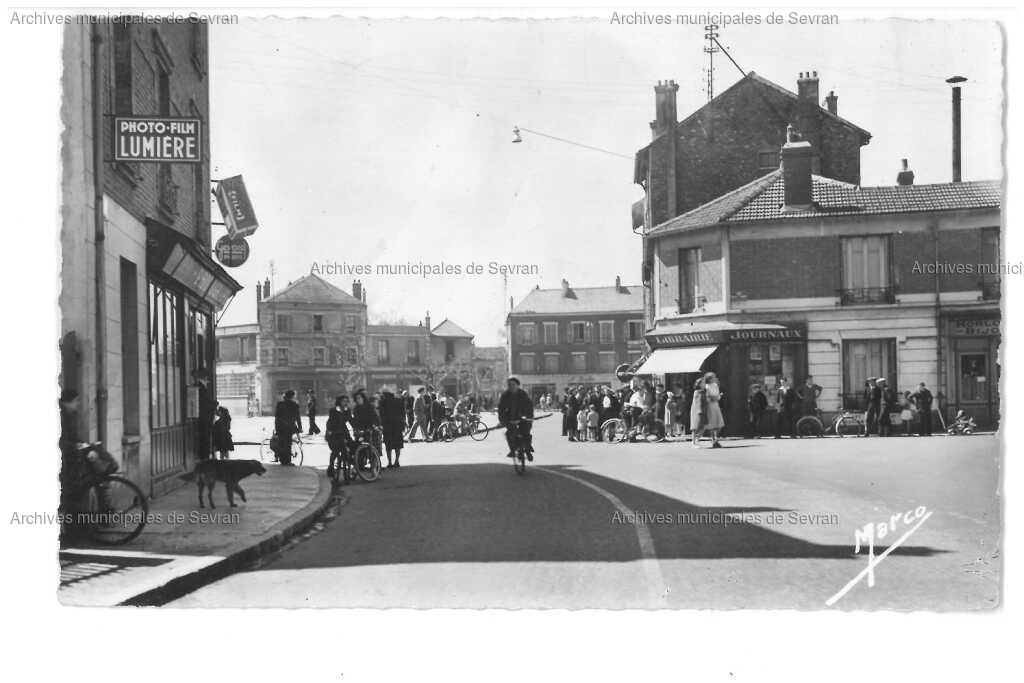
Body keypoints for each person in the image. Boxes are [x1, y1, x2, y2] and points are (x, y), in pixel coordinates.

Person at [498, 377, 534, 460]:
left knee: (526, 431)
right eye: (509, 385)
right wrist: (502, 420)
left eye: (513, 385)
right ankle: (512, 450)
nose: (511, 387)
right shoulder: (505, 395)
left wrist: (529, 417)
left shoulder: (523, 394)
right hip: (510, 418)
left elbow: (529, 406)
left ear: (518, 385)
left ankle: (528, 449)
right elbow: (501, 409)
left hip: (523, 417)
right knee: (509, 434)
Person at [325, 395, 355, 479]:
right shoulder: (333, 410)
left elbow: (351, 421)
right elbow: (332, 422)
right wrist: (331, 431)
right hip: (334, 432)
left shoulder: (347, 410)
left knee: (351, 445)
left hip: (343, 432)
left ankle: (350, 463)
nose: (345, 403)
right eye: (343, 401)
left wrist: (356, 428)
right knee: (335, 450)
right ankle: (331, 466)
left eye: (346, 401)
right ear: (339, 401)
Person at [379, 387, 406, 468]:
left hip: (387, 426)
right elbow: (403, 413)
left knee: (389, 445)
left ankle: (390, 462)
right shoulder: (399, 400)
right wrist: (403, 425)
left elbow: (381, 414)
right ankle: (397, 461)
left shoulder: (382, 402)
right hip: (398, 425)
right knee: (398, 445)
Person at [273, 390, 302, 466]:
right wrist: (300, 427)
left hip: (280, 427)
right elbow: (298, 417)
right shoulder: (295, 405)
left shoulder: (280, 404)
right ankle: (287, 461)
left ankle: (282, 459)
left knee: (282, 443)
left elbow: (277, 417)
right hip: (289, 427)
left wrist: (276, 427)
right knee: (288, 444)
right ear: (292, 396)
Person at [192, 367, 212, 460]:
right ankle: (204, 458)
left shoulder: (200, 386)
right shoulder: (201, 387)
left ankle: (205, 457)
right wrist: (213, 404)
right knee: (204, 438)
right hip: (203, 418)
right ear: (204, 377)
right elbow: (204, 403)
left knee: (205, 438)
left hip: (203, 417)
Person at [702, 372, 725, 448]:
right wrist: (714, 397)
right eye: (713, 377)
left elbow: (717, 396)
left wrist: (717, 397)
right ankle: (714, 440)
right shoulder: (706, 386)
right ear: (709, 379)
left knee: (720, 424)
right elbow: (708, 397)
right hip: (710, 406)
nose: (715, 378)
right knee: (712, 424)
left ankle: (715, 438)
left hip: (716, 405)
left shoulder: (715, 386)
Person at [690, 376, 706, 446]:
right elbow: (697, 402)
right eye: (703, 383)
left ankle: (697, 440)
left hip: (702, 410)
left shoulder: (703, 392)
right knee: (695, 427)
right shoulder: (697, 392)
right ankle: (694, 442)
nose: (704, 384)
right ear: (699, 384)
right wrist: (699, 410)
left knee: (702, 426)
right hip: (697, 411)